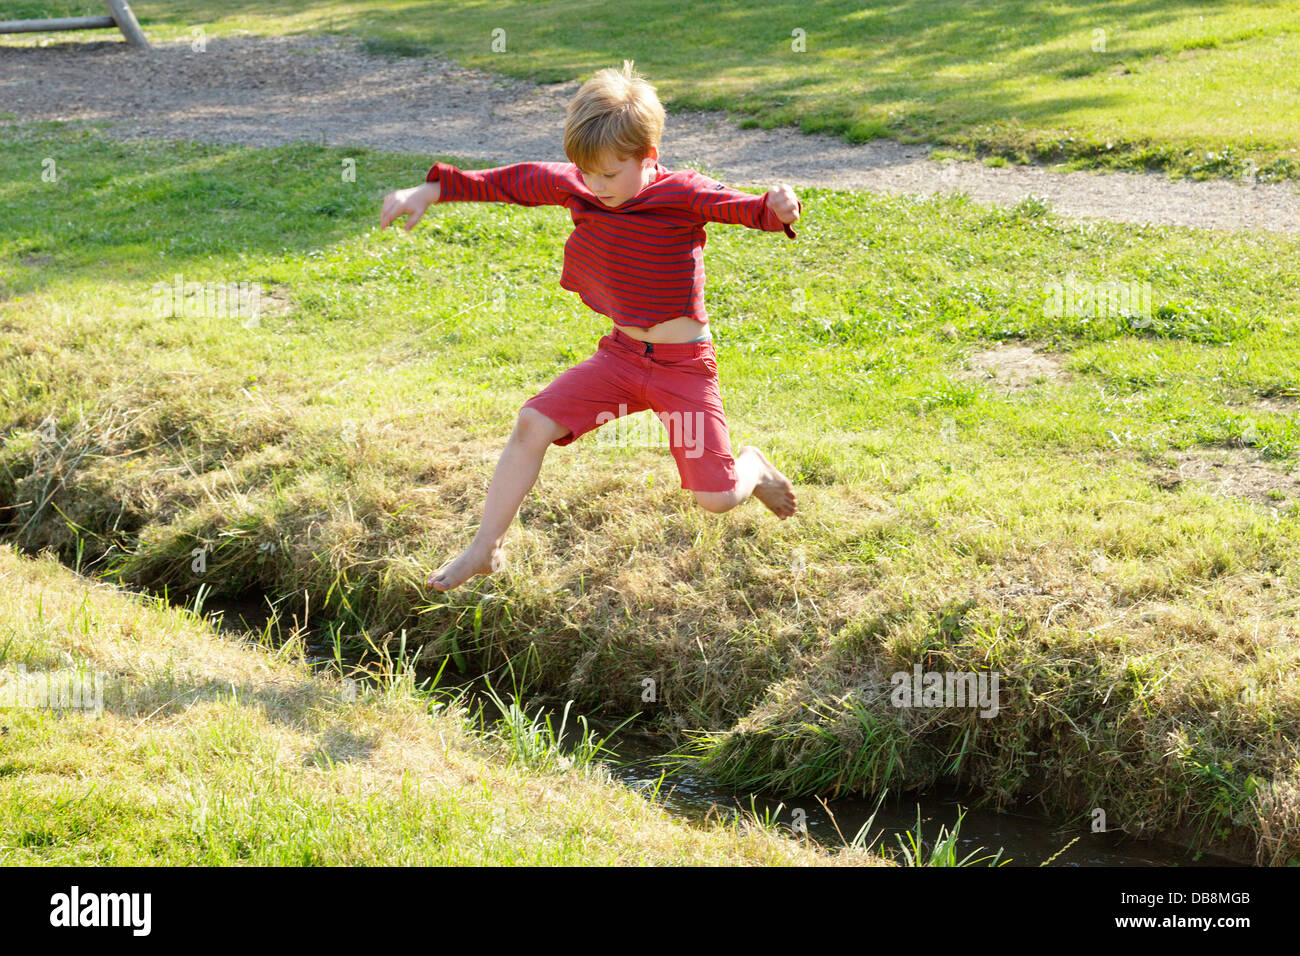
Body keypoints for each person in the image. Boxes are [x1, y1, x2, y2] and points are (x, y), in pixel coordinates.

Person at [379, 60, 802, 592]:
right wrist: (431, 192)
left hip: (682, 370)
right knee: (532, 423)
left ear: (648, 157)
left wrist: (777, 208)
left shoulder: (683, 193)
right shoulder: (579, 185)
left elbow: (744, 208)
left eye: (610, 174)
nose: (597, 187)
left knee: (715, 499)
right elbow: (511, 182)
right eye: (587, 173)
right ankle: (484, 548)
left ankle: (755, 468)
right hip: (620, 358)